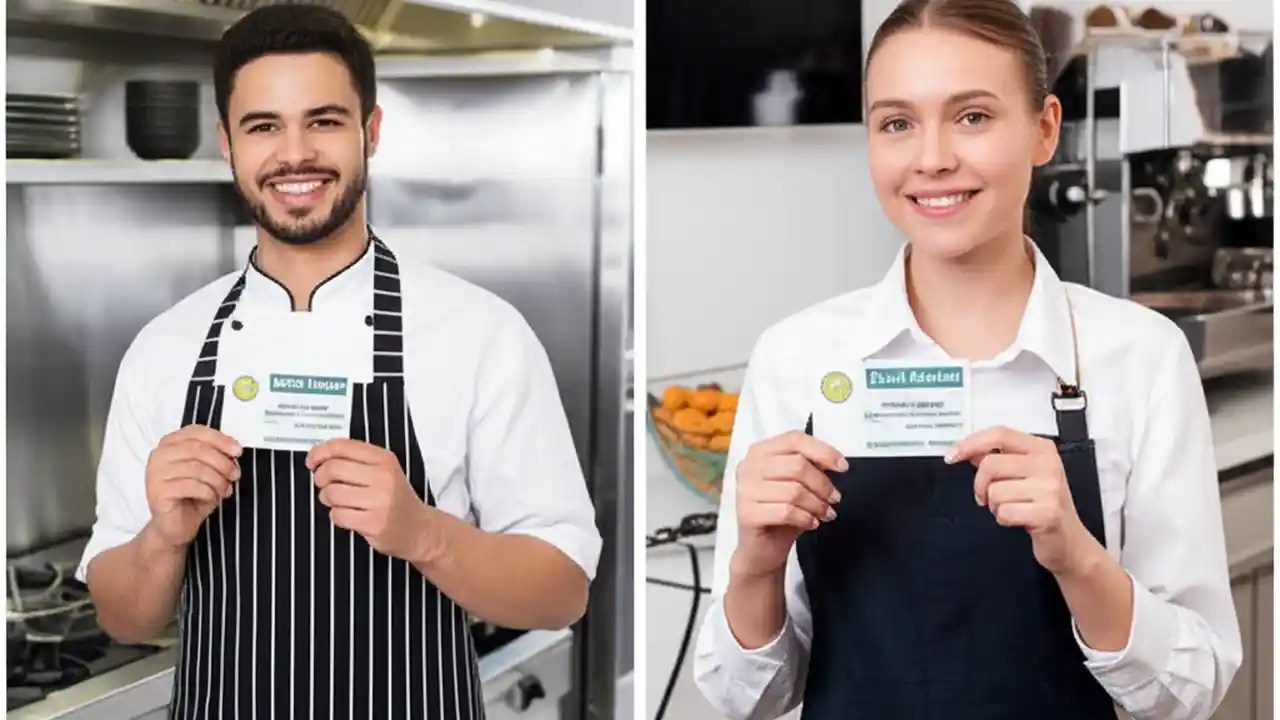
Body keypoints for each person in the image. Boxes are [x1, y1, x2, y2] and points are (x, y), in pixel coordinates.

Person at [692, 1, 1240, 718]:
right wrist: (755, 569)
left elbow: (1191, 691)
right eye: (897, 123)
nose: (932, 158)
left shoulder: (1142, 357)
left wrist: (1077, 557)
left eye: (972, 116)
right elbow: (750, 699)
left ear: (1044, 128)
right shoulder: (796, 359)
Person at [77, 6, 600, 719]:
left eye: (323, 121)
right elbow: (123, 618)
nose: (295, 154)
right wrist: (163, 538)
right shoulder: (164, 349)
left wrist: (425, 535)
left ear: (370, 132)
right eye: (264, 126)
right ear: (228, 144)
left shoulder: (481, 334)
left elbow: (563, 591)